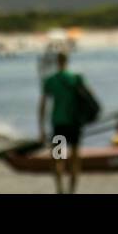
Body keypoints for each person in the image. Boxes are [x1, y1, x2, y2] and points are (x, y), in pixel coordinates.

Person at [39, 52, 87, 194]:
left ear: (57, 61)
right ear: (67, 61)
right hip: (75, 124)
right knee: (75, 158)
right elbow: (88, 99)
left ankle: (59, 189)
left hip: (59, 124)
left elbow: (42, 105)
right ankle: (72, 190)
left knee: (58, 158)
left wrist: (41, 127)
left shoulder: (50, 80)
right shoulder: (77, 78)